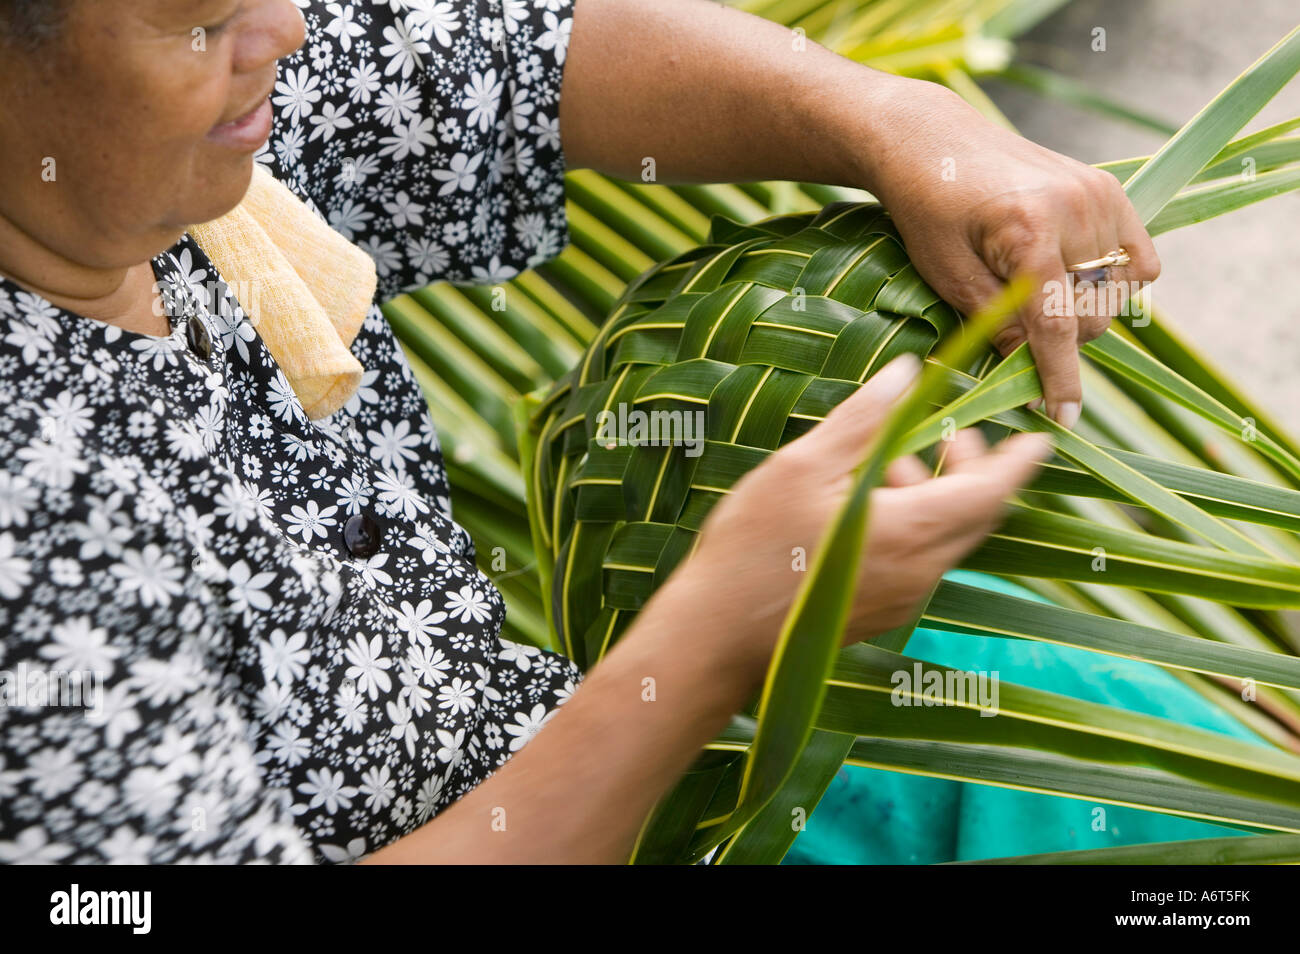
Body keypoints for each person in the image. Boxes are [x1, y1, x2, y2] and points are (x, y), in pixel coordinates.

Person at [0, 0, 1158, 864]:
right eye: (203, 22)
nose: (288, 30)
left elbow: (511, 60)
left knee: (1098, 739)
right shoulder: (32, 532)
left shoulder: (156, 140)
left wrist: (899, 119)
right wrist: (714, 643)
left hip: (569, 757)